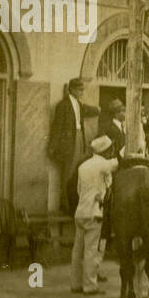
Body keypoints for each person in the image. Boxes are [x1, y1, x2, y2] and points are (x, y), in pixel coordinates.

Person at [70, 135, 118, 294]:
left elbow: (78, 190)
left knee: (77, 250)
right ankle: (90, 286)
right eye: (110, 149)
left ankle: (75, 284)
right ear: (106, 150)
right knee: (91, 250)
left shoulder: (82, 166)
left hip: (80, 212)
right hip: (94, 213)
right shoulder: (103, 164)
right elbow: (118, 161)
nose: (112, 152)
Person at [47, 77, 96, 213]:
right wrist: (52, 147)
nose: (82, 92)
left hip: (79, 139)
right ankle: (65, 205)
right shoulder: (62, 105)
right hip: (69, 144)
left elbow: (87, 110)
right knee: (67, 175)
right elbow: (57, 127)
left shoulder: (79, 104)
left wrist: (98, 109)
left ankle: (75, 204)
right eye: (79, 90)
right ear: (72, 90)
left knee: (78, 173)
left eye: (82, 90)